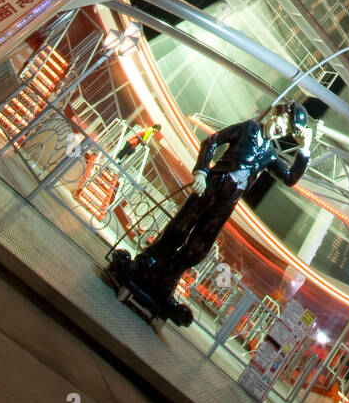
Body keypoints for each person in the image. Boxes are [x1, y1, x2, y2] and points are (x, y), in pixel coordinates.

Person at [111, 104, 312, 325]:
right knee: (179, 228)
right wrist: (202, 171)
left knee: (198, 247)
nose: (280, 131)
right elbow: (212, 141)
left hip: (227, 202)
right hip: (212, 186)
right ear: (275, 114)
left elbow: (289, 178)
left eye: (286, 132)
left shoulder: (269, 156)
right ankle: (145, 265)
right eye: (282, 124)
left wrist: (305, 149)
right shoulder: (248, 129)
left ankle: (165, 284)